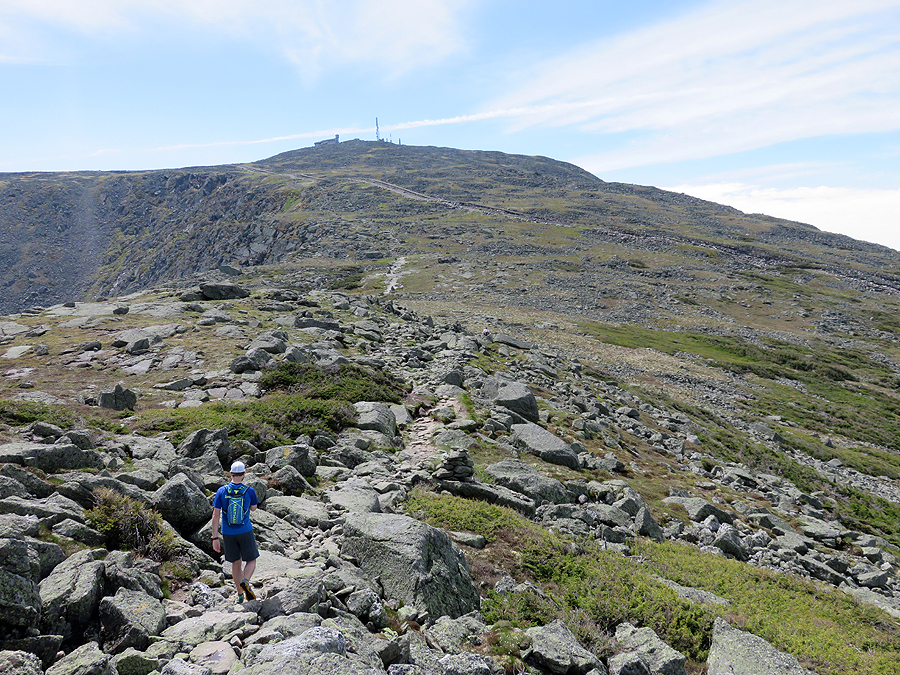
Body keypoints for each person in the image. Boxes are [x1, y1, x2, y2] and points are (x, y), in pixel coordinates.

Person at [211, 460, 260, 603]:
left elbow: (215, 515)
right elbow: (253, 508)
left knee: (236, 563)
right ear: (244, 474)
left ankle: (240, 595)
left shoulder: (222, 491)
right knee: (251, 560)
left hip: (228, 533)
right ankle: (246, 581)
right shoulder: (249, 491)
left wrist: (215, 537)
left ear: (231, 474)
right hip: (245, 531)